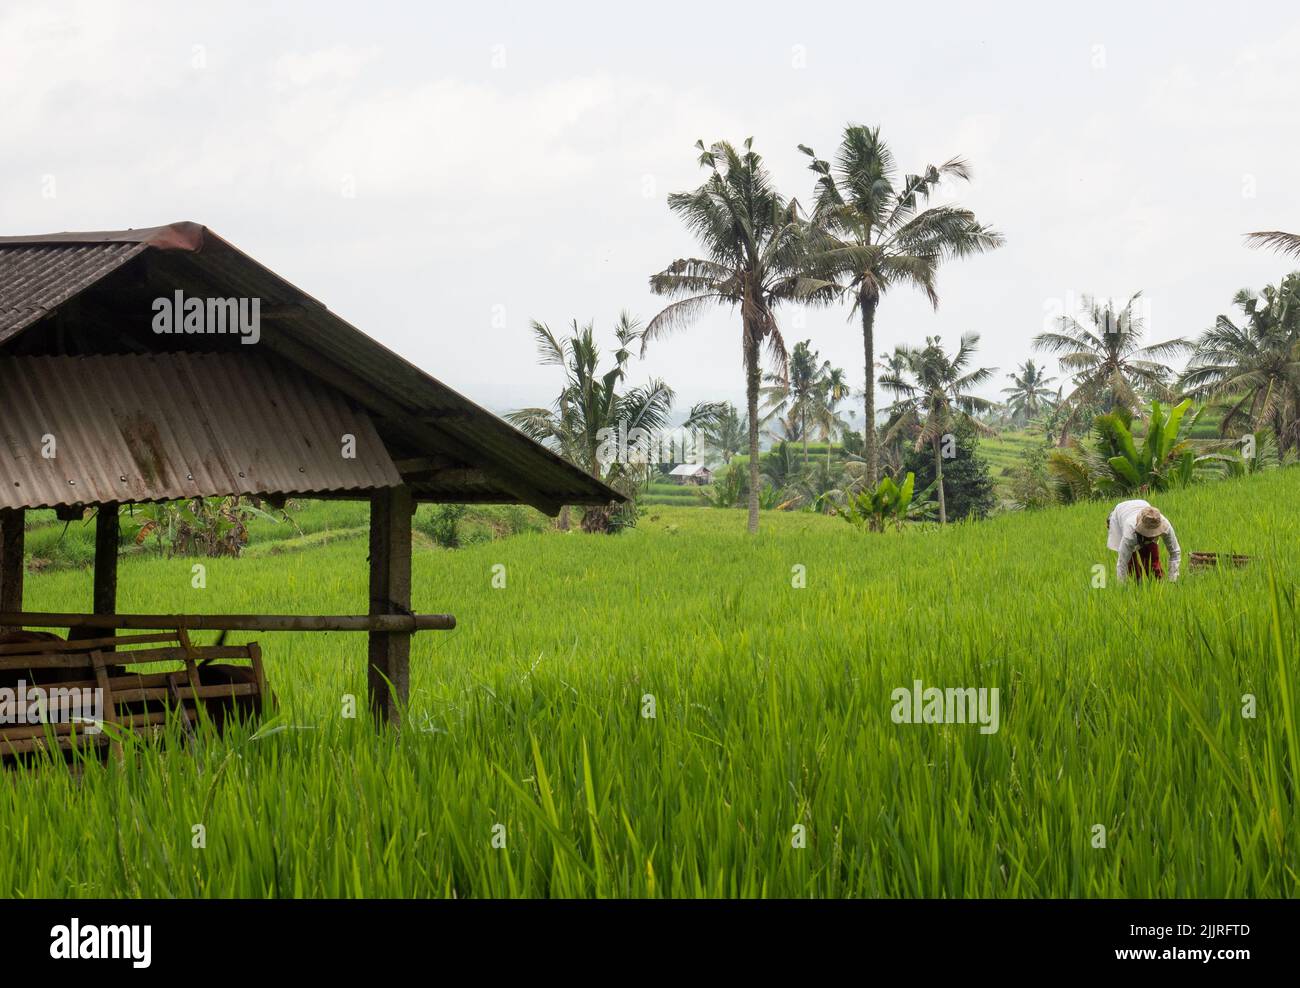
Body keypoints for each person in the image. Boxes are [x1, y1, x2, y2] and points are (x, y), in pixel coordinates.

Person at [1107, 499, 1180, 583]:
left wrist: (1173, 580)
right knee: (1131, 564)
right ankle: (1139, 584)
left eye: (1154, 534)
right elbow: (1122, 563)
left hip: (1142, 506)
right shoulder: (1129, 533)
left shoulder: (1164, 525)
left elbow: (1175, 552)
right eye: (1148, 534)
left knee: (1153, 563)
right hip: (1121, 515)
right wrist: (1121, 588)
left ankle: (1158, 585)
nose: (1151, 536)